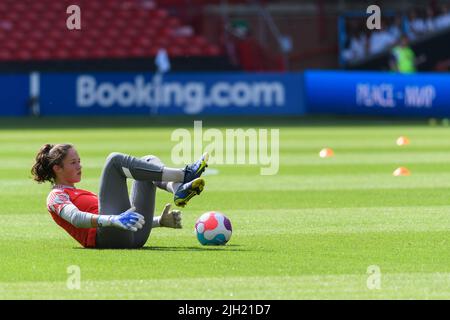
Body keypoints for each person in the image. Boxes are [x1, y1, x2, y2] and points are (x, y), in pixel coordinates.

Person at [31, 144, 209, 249]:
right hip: (108, 238)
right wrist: (112, 220)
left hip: (135, 237)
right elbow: (76, 218)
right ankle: (183, 174)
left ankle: (177, 188)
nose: (79, 166)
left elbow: (125, 219)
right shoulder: (56, 196)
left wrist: (158, 222)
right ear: (57, 169)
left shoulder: (78, 191)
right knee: (114, 161)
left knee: (148, 161)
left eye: (79, 161)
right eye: (73, 163)